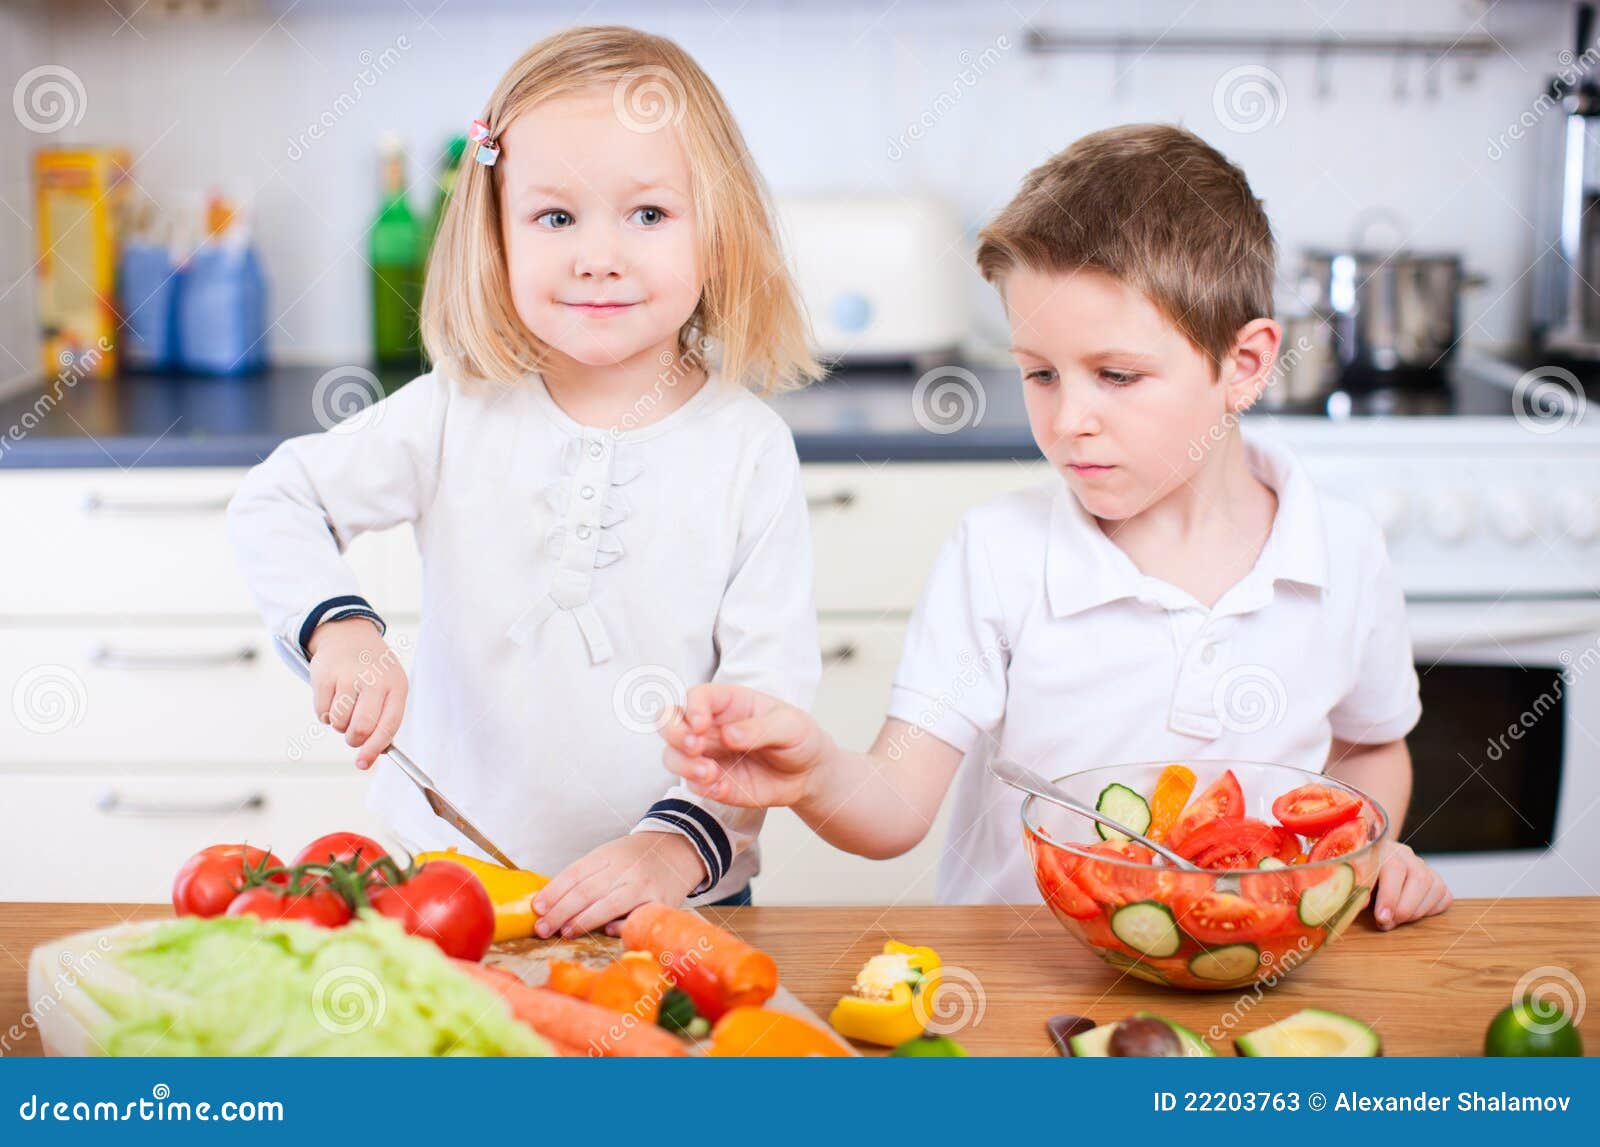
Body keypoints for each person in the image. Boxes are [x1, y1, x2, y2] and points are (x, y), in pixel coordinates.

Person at [660, 124, 1452, 931]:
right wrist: (814, 773)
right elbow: (896, 807)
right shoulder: (999, 555)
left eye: (1116, 375)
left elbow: (1369, 748)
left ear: (1244, 366)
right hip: (1016, 989)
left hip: (1257, 964)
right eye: (1039, 372)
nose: (1070, 419)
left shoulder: (1344, 553)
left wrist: (1367, 845)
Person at [228, 25, 821, 938]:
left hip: (675, 894)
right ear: (494, 235)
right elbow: (280, 497)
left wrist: (670, 847)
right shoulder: (455, 409)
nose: (599, 255)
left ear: (719, 226)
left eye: (649, 214)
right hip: (448, 882)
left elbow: (767, 692)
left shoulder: (749, 449)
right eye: (555, 217)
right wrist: (339, 626)